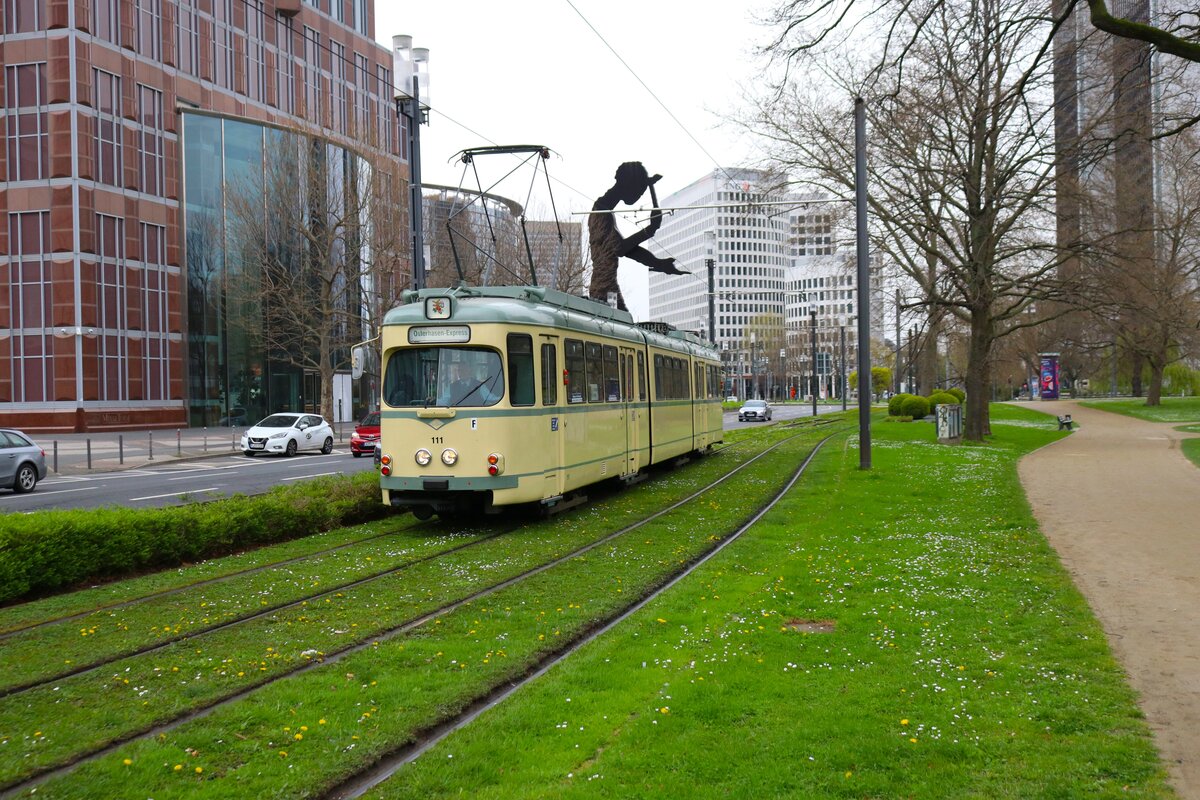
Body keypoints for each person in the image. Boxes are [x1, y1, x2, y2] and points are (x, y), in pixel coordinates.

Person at [588, 162, 688, 311]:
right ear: (629, 186)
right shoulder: (600, 212)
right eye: (640, 191)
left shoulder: (604, 209)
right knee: (619, 326)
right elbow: (620, 248)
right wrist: (650, 229)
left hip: (607, 286)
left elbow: (629, 250)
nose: (639, 196)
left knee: (622, 325)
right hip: (604, 289)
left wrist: (658, 263)